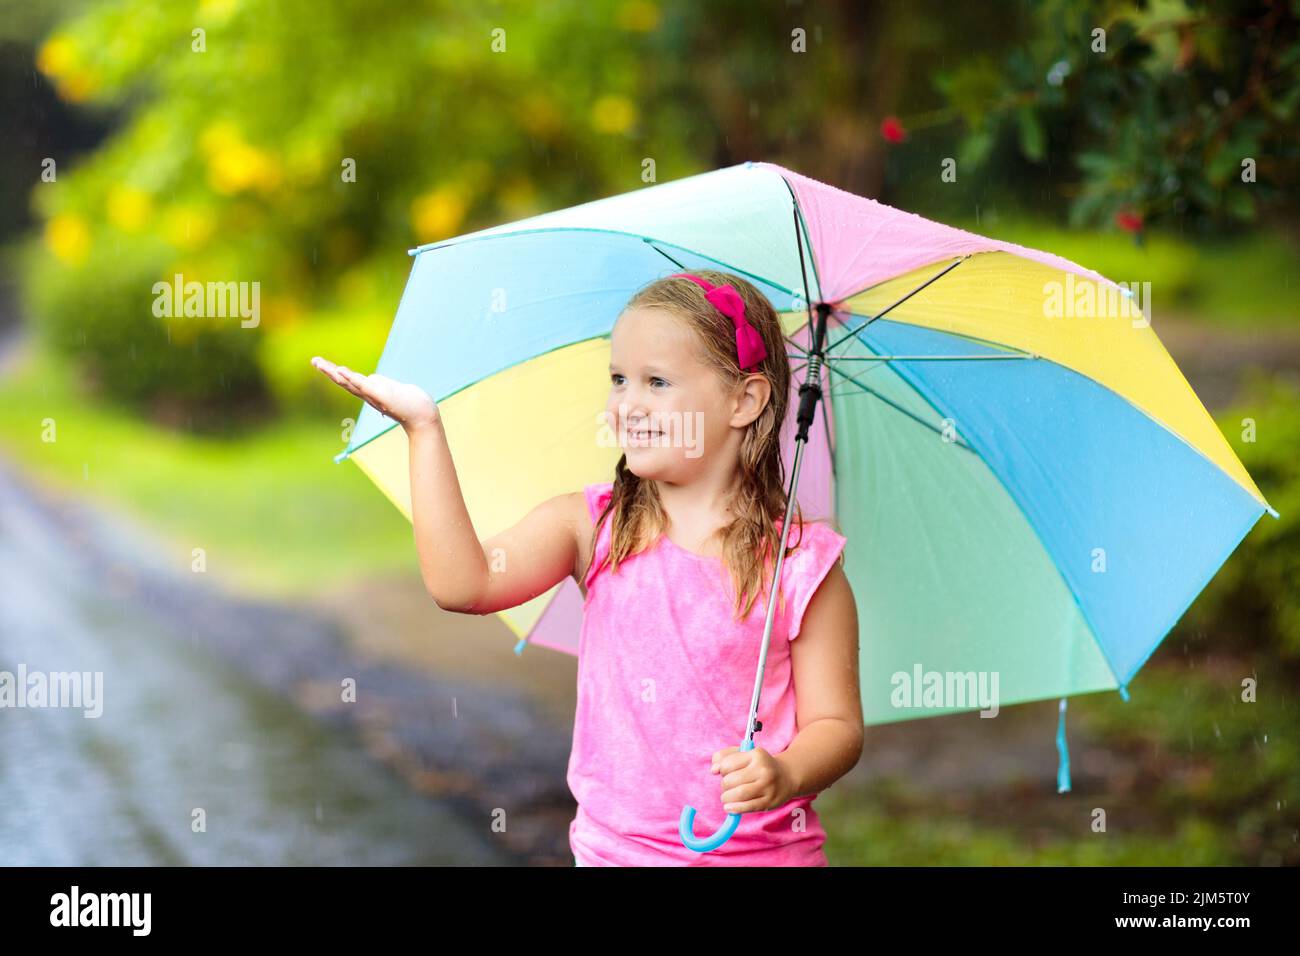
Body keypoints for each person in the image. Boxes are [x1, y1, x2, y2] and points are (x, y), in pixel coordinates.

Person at [311, 268, 863, 866]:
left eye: (657, 381)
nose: (627, 403)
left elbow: (836, 724)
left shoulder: (802, 565)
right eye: (619, 379)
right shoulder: (592, 525)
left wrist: (785, 772)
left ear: (744, 400)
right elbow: (462, 584)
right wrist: (424, 430)